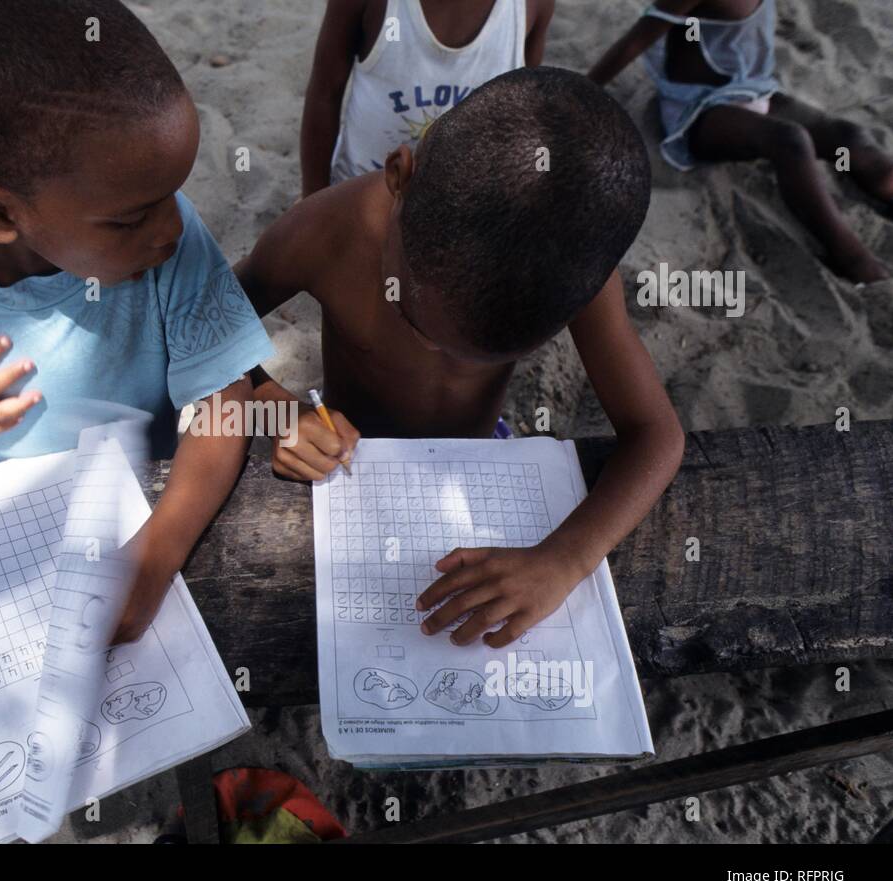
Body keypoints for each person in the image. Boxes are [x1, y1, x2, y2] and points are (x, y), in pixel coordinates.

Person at [0, 0, 277, 643]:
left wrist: (154, 557)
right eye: (129, 218)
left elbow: (223, 399)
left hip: (146, 507)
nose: (172, 228)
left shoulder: (169, 240)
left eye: (173, 195)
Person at [239, 67, 686, 646]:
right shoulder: (328, 230)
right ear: (399, 177)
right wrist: (278, 408)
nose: (430, 349)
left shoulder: (573, 274)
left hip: (478, 464)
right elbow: (211, 323)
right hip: (337, 463)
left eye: (477, 353)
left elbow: (656, 434)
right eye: (412, 318)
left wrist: (564, 561)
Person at [589, 0, 892, 282]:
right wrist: (582, 93)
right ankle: (850, 257)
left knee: (849, 137)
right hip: (699, 109)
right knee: (791, 142)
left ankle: (885, 186)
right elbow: (634, 42)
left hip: (751, 89)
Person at [301, 0, 555, 196]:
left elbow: (522, 114)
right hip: (362, 200)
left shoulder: (529, 6)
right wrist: (314, 201)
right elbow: (325, 95)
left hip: (465, 212)